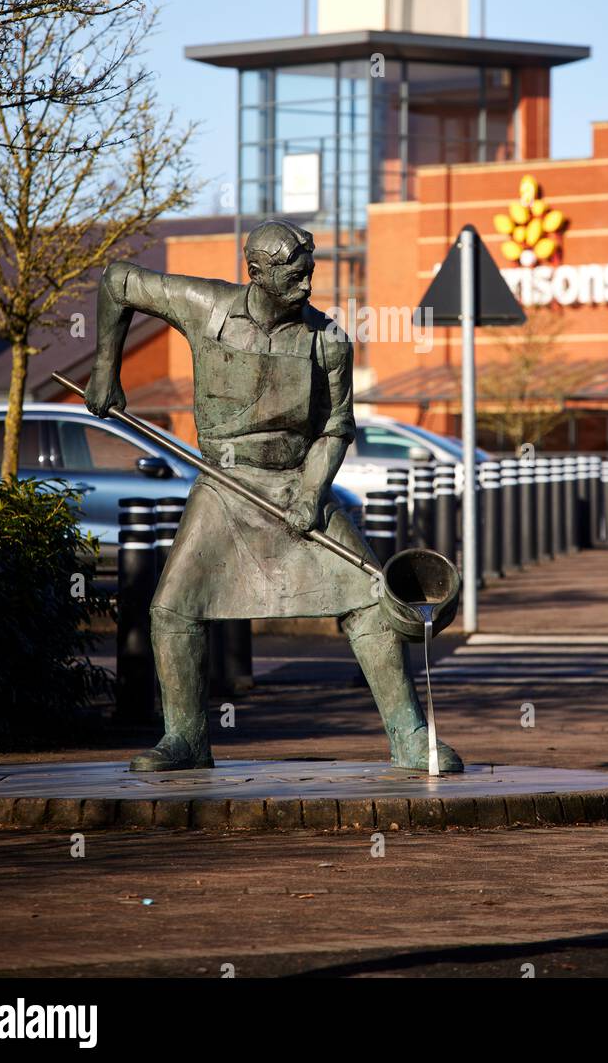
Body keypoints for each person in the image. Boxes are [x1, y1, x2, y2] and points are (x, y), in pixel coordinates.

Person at [85, 220, 463, 774]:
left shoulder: (327, 340)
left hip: (294, 483)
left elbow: (337, 427)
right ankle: (185, 738)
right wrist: (104, 369)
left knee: (370, 598)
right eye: (294, 275)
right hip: (223, 484)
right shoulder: (204, 305)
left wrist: (312, 491)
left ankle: (410, 738)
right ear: (256, 272)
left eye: (310, 273)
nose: (308, 286)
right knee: (172, 609)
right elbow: (118, 281)